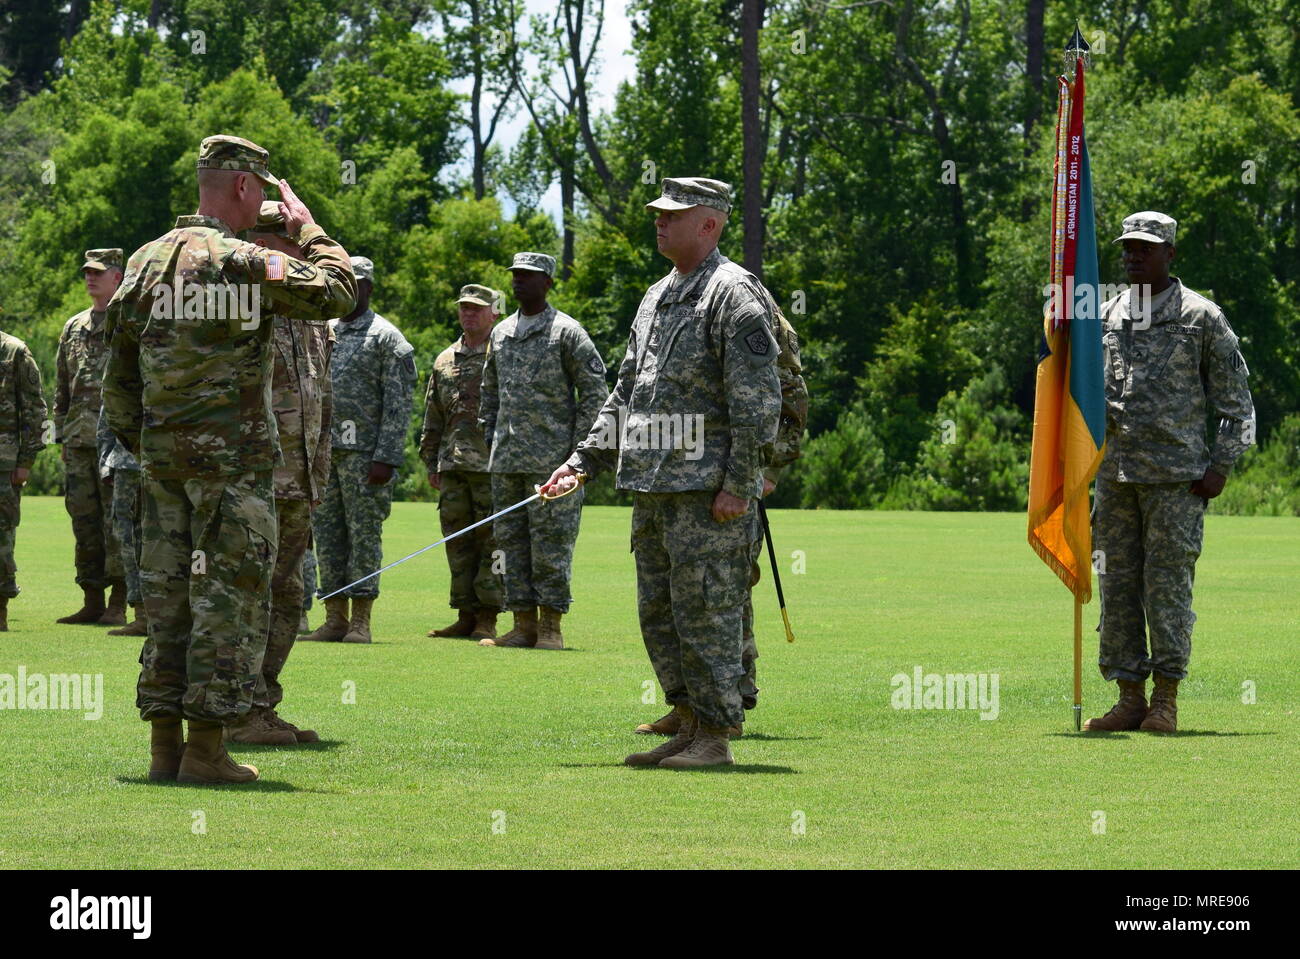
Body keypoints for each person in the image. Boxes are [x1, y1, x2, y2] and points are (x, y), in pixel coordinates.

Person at [104, 134, 356, 784]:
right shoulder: (239, 261)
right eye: (262, 193)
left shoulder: (143, 262)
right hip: (233, 472)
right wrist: (309, 227)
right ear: (244, 187)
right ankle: (207, 749)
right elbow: (338, 292)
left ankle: (165, 748)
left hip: (162, 468)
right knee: (228, 603)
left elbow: (119, 377)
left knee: (166, 601)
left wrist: (152, 445)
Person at [543, 177, 781, 767]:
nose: (659, 222)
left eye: (674, 215)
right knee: (662, 611)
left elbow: (758, 401)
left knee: (708, 610)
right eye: (657, 213)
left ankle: (716, 737)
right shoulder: (656, 297)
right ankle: (690, 721)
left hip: (706, 492)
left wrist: (739, 484)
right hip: (653, 485)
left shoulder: (734, 295)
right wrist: (582, 460)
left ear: (710, 224)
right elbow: (625, 394)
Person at [1085, 211, 1254, 734]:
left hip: (1177, 482)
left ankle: (1166, 699)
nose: (1135, 257)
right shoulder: (1106, 316)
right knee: (1116, 587)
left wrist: (1220, 467)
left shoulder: (1200, 317)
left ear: (1170, 254)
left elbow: (1237, 404)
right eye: (1129, 249)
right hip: (1115, 479)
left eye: (1146, 249)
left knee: (1168, 589)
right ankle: (1129, 695)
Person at [634, 293, 807, 735]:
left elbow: (788, 394)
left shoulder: (751, 309)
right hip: (687, 473)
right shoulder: (684, 304)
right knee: (696, 597)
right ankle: (693, 706)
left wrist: (765, 468)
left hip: (737, 470)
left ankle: (733, 700)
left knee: (727, 592)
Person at [224, 201, 336, 745]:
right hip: (255, 480)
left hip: (299, 485)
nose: (298, 250)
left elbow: (324, 405)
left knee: (289, 594)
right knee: (249, 593)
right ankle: (236, 710)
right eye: (288, 239)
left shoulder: (314, 318)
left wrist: (318, 477)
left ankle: (263, 702)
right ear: (265, 245)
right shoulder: (240, 305)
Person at [476, 253, 608, 651]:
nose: (518, 282)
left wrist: (578, 455)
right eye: (515, 276)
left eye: (528, 277)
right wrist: (490, 436)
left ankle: (550, 625)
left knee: (552, 544)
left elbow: (596, 395)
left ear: (547, 282)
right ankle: (522, 624)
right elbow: (490, 392)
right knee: (510, 543)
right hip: (507, 461)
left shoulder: (567, 332)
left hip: (555, 465)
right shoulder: (501, 333)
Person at [302, 256, 415, 644]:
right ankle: (334, 616)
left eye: (360, 283)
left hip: (366, 457)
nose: (353, 290)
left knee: (363, 537)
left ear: (369, 288)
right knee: (328, 535)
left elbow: (398, 404)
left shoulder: (387, 338)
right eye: (346, 282)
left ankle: (361, 619)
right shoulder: (325, 329)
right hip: (324, 453)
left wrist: (386, 457)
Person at [420, 284, 505, 640]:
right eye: (464, 308)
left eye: (476, 308)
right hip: (453, 465)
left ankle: (488, 616)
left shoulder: (502, 353)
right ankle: (465, 613)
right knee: (457, 543)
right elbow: (433, 413)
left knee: (492, 543)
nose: (468, 314)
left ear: (494, 312)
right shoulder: (444, 359)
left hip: (490, 466)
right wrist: (430, 460)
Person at [54, 249, 126, 626]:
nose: (90, 278)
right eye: (87, 272)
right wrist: (62, 436)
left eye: (98, 273)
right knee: (83, 521)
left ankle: (119, 601)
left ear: (117, 276)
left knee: (117, 521)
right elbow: (62, 387)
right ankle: (92, 598)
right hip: (80, 441)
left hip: (117, 442)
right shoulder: (74, 326)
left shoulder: (129, 320)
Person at [0, 328, 48, 630]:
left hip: (3, 462)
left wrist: (26, 461)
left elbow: (35, 409)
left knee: (1, 538)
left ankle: (0, 607)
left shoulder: (14, 351)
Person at [95, 406, 145, 636]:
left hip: (162, 462)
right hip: (130, 462)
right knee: (129, 539)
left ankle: (154, 616)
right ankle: (142, 614)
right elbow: (108, 417)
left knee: (158, 538)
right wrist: (106, 462)